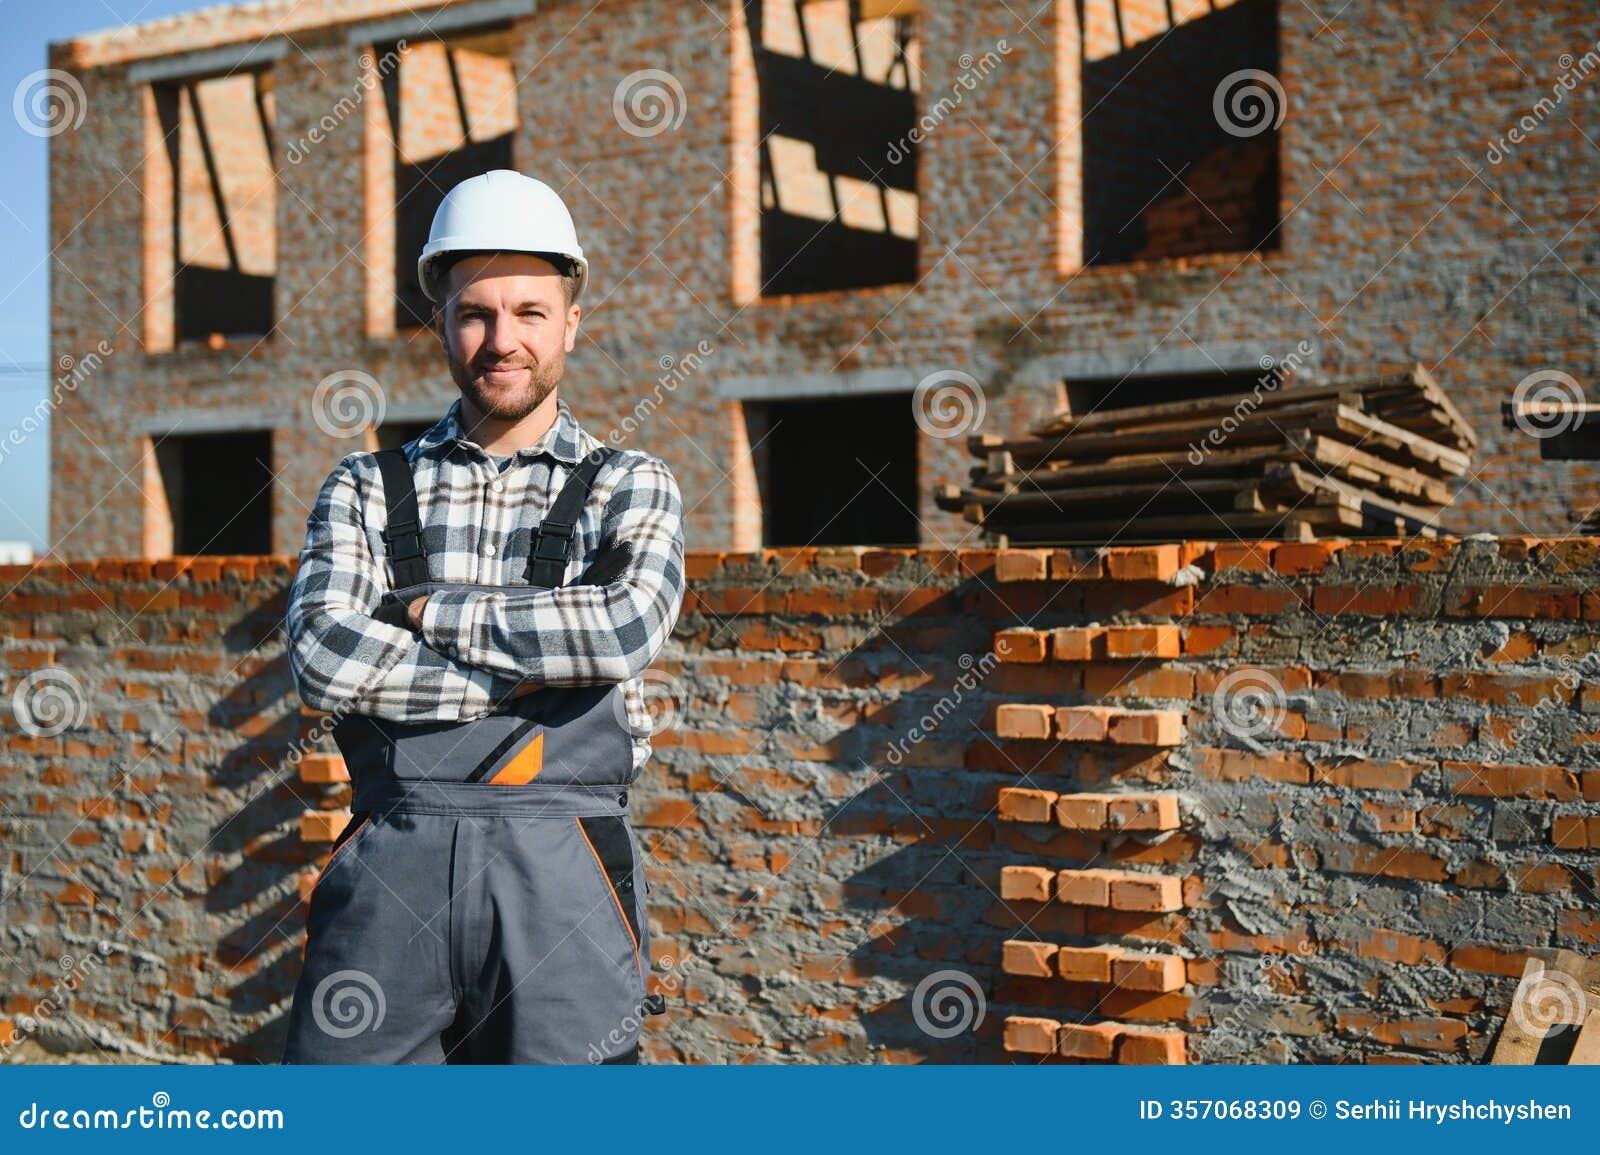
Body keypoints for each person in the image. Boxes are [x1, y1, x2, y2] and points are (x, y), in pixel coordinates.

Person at [280, 170, 685, 1064]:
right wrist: (531, 671)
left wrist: (431, 611)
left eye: (530, 312)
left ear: (570, 322)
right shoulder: (363, 486)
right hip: (391, 865)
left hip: (565, 875)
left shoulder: (631, 483)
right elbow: (321, 657)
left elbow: (622, 629)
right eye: (476, 312)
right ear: (442, 323)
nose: (503, 340)